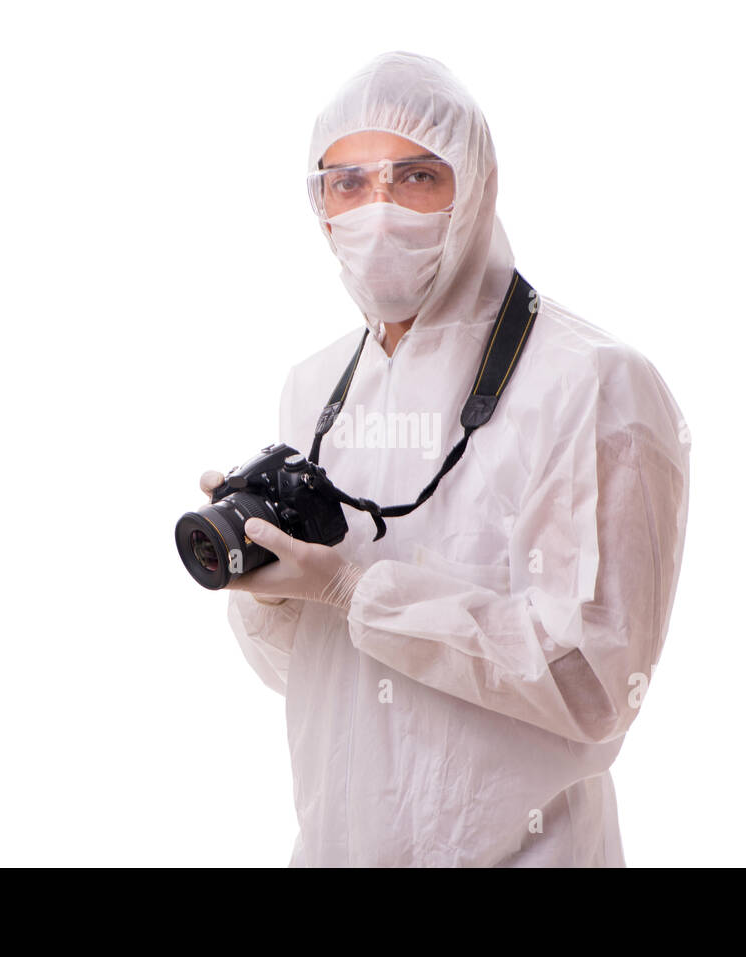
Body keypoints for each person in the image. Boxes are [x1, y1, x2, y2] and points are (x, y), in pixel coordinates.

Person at [197, 51, 691, 867]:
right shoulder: (316, 387)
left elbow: (594, 683)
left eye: (416, 178)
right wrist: (271, 593)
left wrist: (356, 589)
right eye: (349, 184)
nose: (378, 212)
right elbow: (308, 678)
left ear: (477, 188)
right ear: (320, 205)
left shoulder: (592, 383)